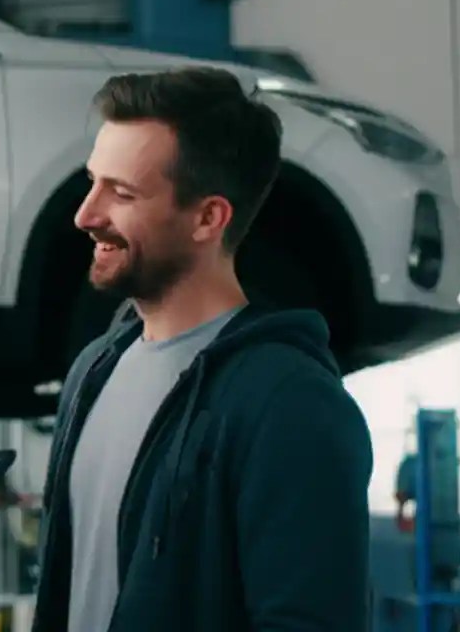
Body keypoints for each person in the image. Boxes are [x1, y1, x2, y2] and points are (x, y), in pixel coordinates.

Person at [29, 67, 374, 632]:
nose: (85, 214)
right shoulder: (93, 371)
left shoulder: (291, 404)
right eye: (92, 181)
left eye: (121, 193)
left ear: (208, 217)